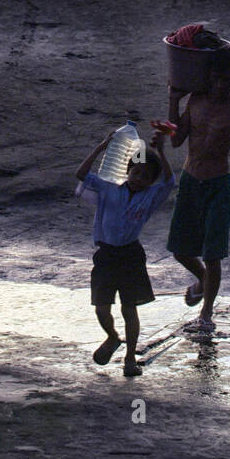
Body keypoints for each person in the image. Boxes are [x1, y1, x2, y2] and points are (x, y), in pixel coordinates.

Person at [166, 41, 230, 333]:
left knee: (212, 254)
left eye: (227, 79)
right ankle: (203, 281)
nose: (221, 85)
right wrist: (173, 101)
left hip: (218, 183)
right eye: (216, 78)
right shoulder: (196, 100)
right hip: (191, 180)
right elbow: (176, 140)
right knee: (180, 250)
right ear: (209, 76)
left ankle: (206, 314)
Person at [76, 127, 175, 377]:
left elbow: (170, 182)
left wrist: (162, 153)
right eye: (135, 172)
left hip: (130, 256)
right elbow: (81, 174)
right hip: (106, 255)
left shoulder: (150, 196)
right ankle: (112, 337)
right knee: (101, 307)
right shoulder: (109, 189)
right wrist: (101, 147)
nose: (139, 178)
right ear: (127, 171)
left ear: (151, 182)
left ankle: (130, 358)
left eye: (145, 176)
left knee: (129, 309)